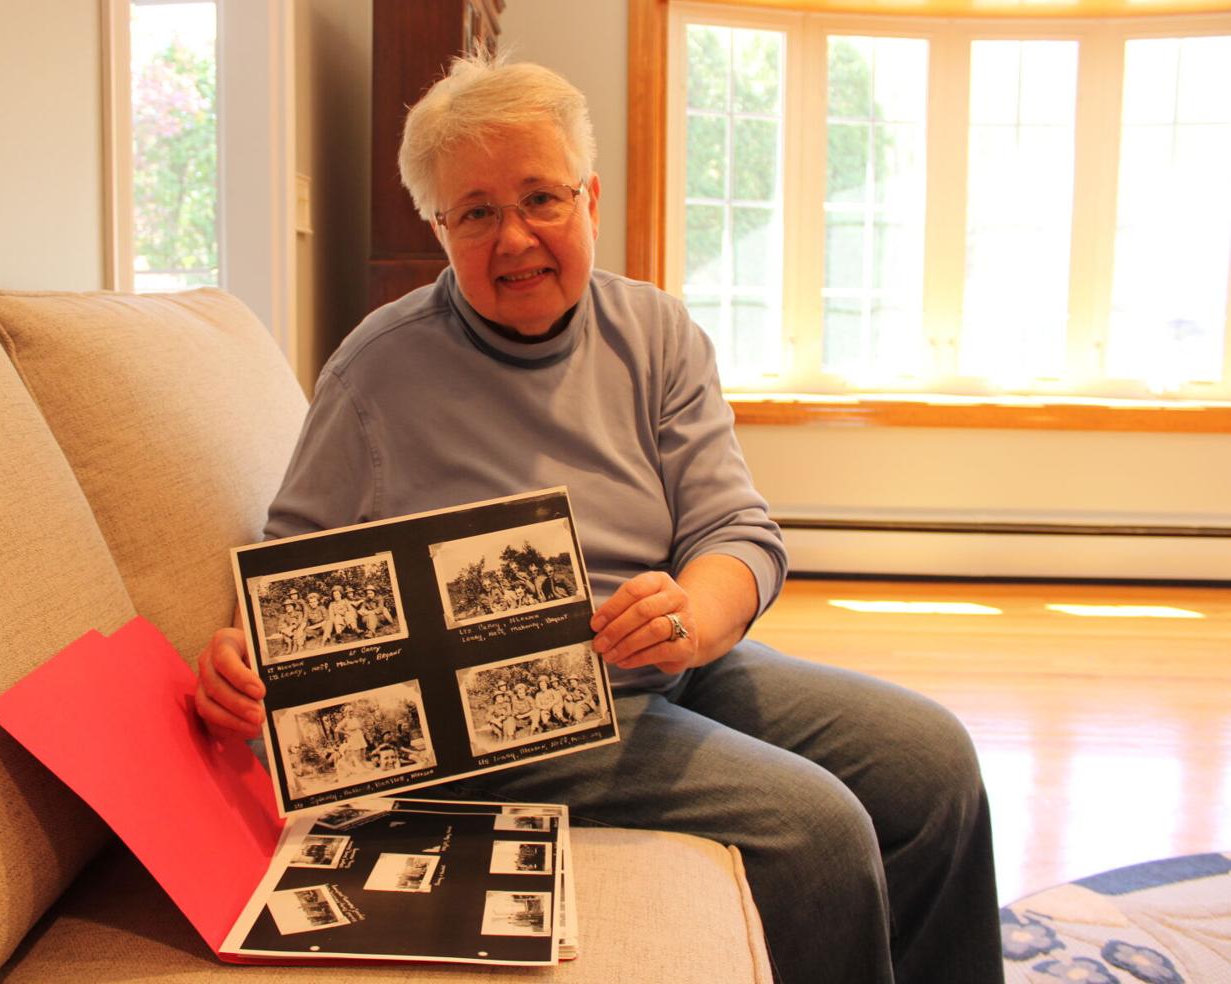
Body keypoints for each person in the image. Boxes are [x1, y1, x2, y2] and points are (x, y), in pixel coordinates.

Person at [193, 51, 1001, 983]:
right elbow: (293, 574)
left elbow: (736, 529)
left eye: (542, 198)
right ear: (437, 227)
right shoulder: (375, 372)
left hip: (678, 660)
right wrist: (246, 658)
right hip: (517, 723)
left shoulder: (655, 333)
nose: (514, 240)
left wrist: (690, 620)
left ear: (592, 200)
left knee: (933, 762)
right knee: (814, 829)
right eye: (477, 213)